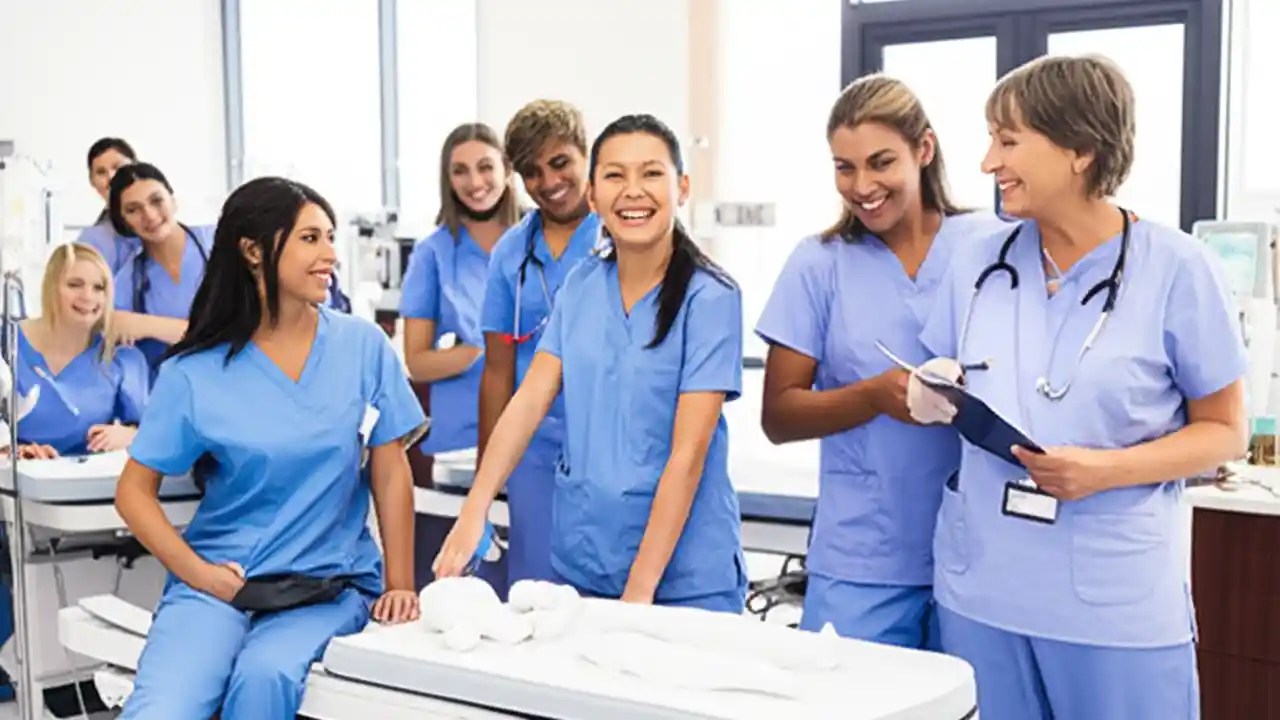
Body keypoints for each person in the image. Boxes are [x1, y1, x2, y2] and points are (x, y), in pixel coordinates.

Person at [908, 55, 1247, 719]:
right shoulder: (976, 261)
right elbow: (945, 376)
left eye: (1008, 141)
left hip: (1113, 606)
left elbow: (1225, 432)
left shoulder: (1179, 269)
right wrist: (927, 390)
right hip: (983, 590)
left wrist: (1104, 471)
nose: (987, 162)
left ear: (1080, 150)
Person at [113, 177, 427, 718]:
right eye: (310, 238)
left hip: (325, 585)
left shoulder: (361, 346)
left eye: (329, 237)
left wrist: (401, 584)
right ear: (253, 251)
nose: (330, 255)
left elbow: (390, 467)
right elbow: (133, 493)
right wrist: (199, 573)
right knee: (162, 709)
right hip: (218, 582)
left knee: (264, 678)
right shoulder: (195, 372)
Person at [435, 113, 748, 613]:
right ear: (594, 195)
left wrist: (639, 592)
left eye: (651, 173)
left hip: (684, 577)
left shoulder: (710, 297)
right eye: (615, 175)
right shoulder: (581, 286)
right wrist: (475, 508)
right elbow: (530, 400)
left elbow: (688, 456)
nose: (633, 190)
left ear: (682, 187)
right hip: (585, 564)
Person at [754, 75, 1012, 649]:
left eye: (881, 162)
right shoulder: (818, 264)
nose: (862, 186)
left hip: (980, 553)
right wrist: (873, 397)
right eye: (844, 168)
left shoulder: (992, 245)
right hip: (862, 558)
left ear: (924, 149)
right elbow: (779, 416)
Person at [475, 100, 602, 586]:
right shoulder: (511, 252)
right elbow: (497, 371)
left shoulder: (619, 237)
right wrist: (485, 486)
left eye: (560, 162)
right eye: (531, 171)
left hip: (611, 447)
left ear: (586, 155)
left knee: (607, 595)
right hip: (532, 454)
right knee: (535, 593)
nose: (548, 181)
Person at [399, 122, 520, 591]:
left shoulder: (536, 238)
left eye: (485, 166)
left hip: (542, 430)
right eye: (460, 171)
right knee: (467, 587)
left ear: (507, 169)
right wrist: (484, 352)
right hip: (462, 441)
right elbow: (417, 361)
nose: (475, 182)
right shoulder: (434, 253)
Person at [7, 243, 149, 459]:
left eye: (98, 288)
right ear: (52, 288)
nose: (88, 297)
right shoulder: (7, 345)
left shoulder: (121, 357)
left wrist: (129, 435)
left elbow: (151, 433)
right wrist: (12, 452)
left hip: (88, 478)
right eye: (75, 285)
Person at [107, 162, 216, 375]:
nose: (149, 215)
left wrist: (146, 325)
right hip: (173, 389)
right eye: (133, 210)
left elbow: (241, 329)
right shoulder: (127, 283)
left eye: (156, 201)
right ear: (124, 221)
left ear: (173, 201)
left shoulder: (219, 242)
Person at [75, 137, 139, 273]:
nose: (111, 177)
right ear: (92, 182)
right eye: (101, 172)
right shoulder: (91, 241)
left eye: (117, 167)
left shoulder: (160, 222)